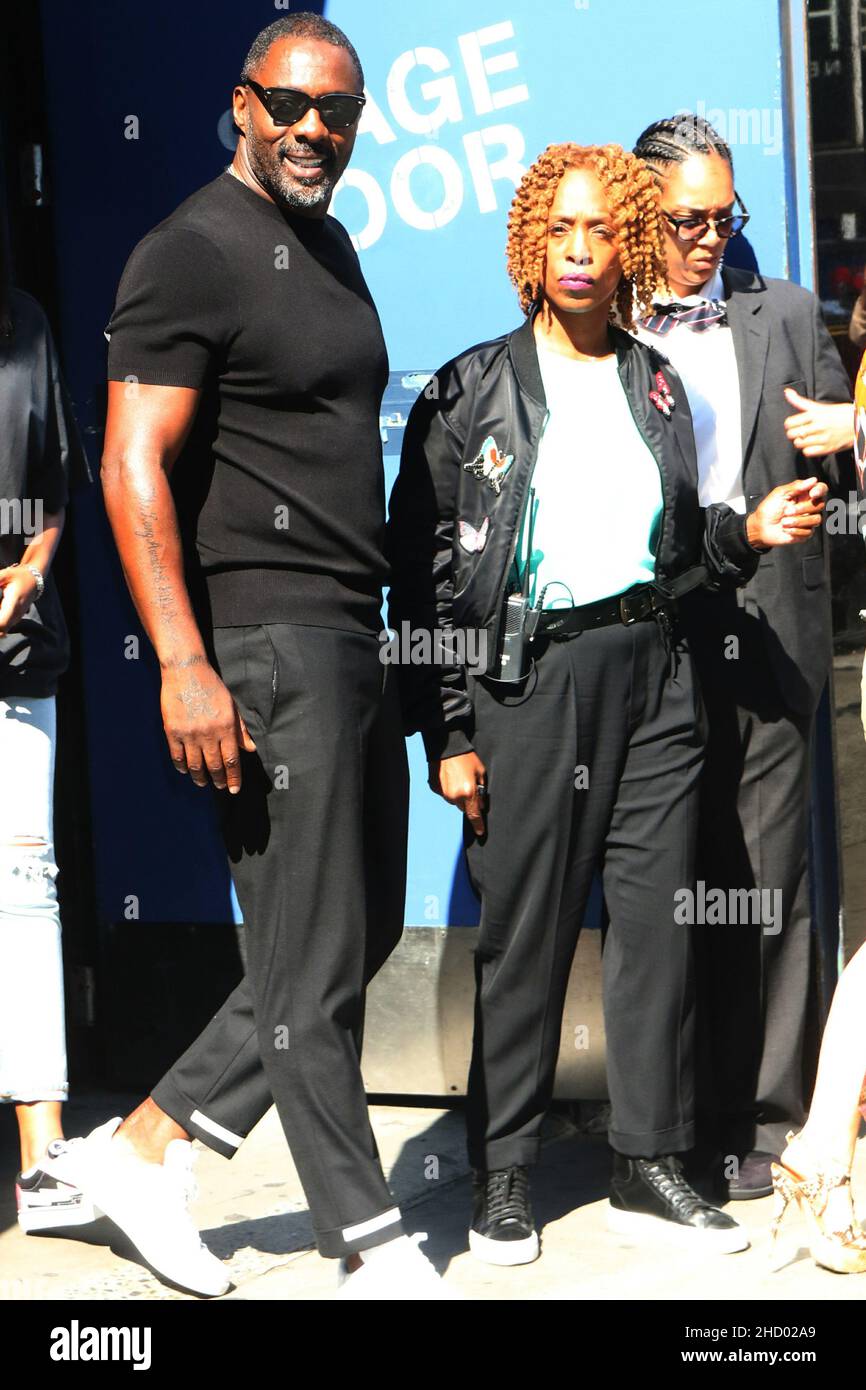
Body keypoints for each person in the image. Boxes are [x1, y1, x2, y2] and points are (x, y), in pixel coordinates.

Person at [47, 14, 446, 1300]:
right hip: (261, 639)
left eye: (338, 109)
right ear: (241, 103)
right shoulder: (190, 251)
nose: (315, 128)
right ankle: (364, 1240)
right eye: (290, 103)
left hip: (344, 631)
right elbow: (129, 462)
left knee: (355, 928)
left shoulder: (323, 245)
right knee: (311, 951)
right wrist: (181, 661)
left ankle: (147, 1148)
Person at [386, 141, 826, 1265]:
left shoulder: (656, 381)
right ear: (530, 243)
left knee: (654, 932)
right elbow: (424, 569)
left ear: (623, 245)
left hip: (656, 676)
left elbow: (676, 558)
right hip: (530, 688)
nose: (579, 252)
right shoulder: (469, 385)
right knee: (525, 939)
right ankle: (504, 1175)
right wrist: (448, 729)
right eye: (559, 231)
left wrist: (743, 534)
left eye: (599, 232)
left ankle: (647, 1157)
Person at [631, 114, 852, 1201]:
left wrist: (843, 443)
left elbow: (843, 488)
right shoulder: (590, 320)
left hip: (768, 631)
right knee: (663, 884)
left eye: (726, 219)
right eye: (687, 220)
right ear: (639, 214)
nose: (709, 239)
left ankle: (765, 1116)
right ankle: (662, 1122)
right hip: (644, 638)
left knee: (764, 885)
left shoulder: (791, 313)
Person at [0, 255, 91, 1229]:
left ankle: (45, 1155)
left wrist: (30, 570)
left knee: (25, 889)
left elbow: (54, 490)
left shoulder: (22, 323)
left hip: (15, 652)